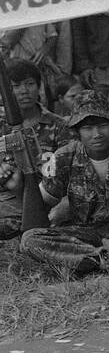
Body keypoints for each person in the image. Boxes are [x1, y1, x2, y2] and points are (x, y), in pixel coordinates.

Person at [19, 91, 109, 274]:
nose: (96, 134)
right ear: (77, 132)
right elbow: (42, 205)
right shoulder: (63, 157)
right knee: (30, 239)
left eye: (103, 125)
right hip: (85, 234)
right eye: (87, 128)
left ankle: (88, 259)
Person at [0, 58, 70, 239]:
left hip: (46, 198)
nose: (24, 91)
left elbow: (67, 171)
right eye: (15, 86)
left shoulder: (59, 125)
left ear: (39, 87)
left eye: (30, 84)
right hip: (6, 198)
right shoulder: (1, 125)